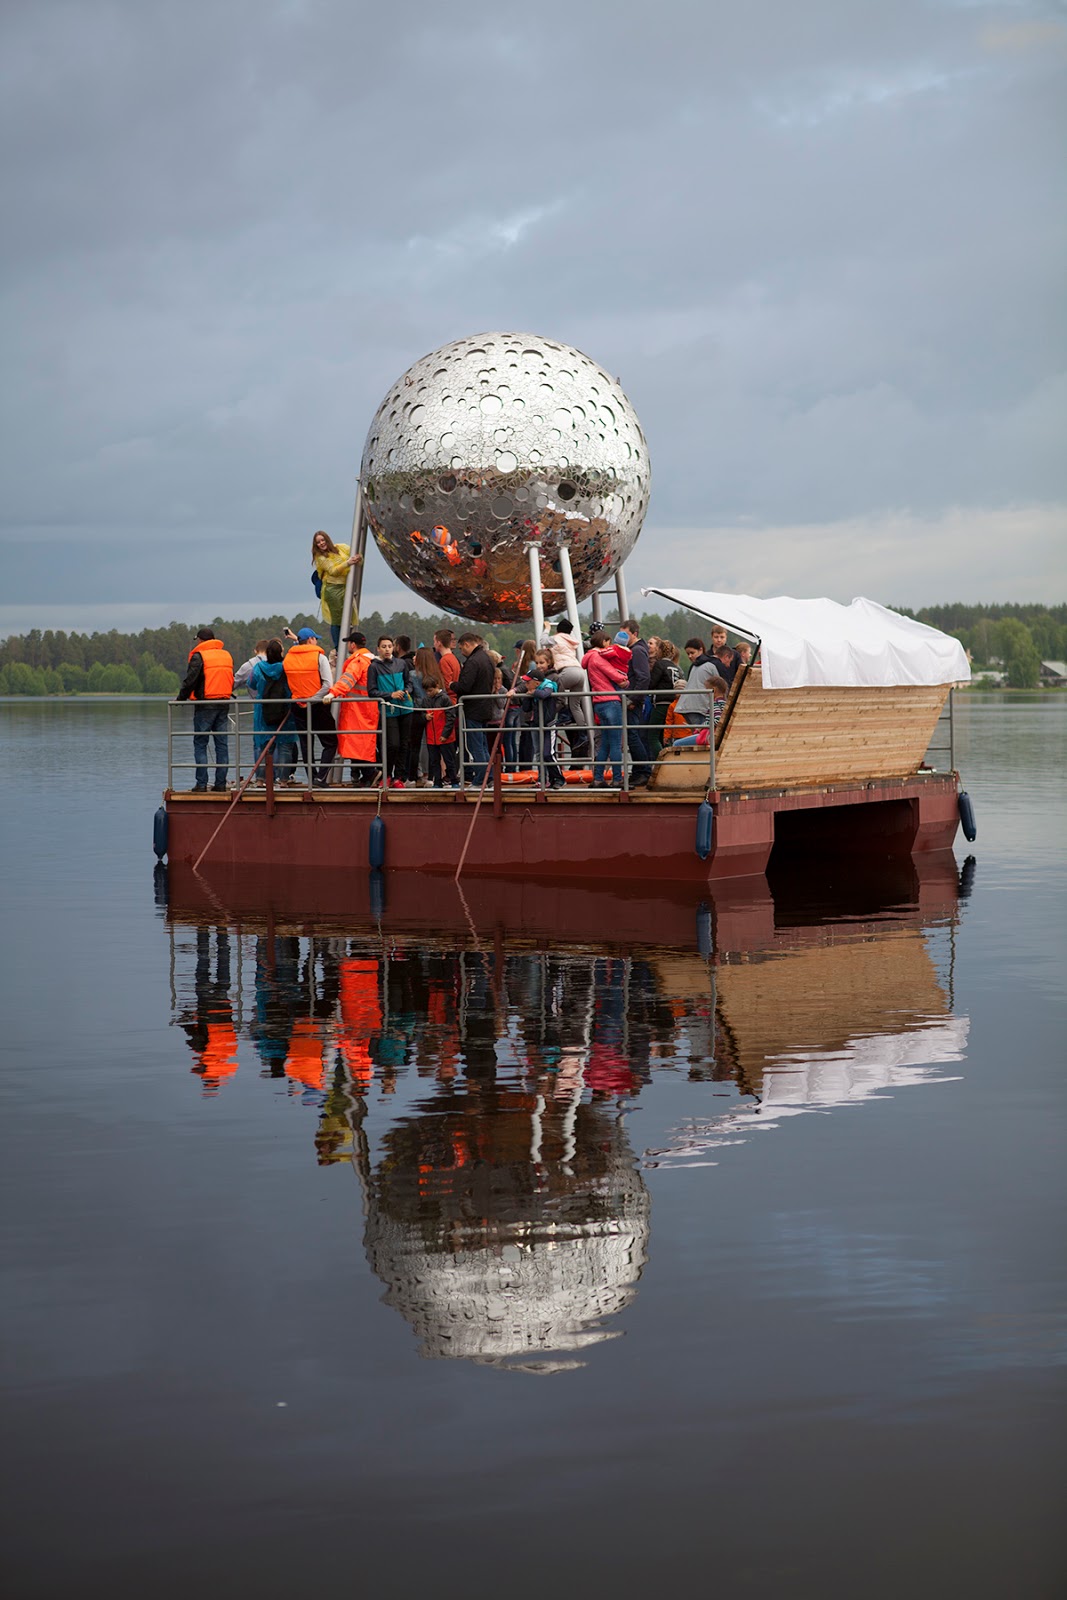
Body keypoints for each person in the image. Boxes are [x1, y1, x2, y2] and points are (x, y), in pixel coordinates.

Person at [177, 625, 234, 791]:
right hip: (224, 703)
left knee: (200, 744)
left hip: (205, 705)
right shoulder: (226, 655)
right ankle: (221, 784)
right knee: (222, 745)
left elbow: (190, 680)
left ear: (201, 640)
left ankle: (201, 784)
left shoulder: (199, 656)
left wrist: (181, 697)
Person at [282, 626, 336, 786]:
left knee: (306, 744)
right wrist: (312, 699)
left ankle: (312, 779)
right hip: (317, 705)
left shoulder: (288, 658)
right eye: (315, 638)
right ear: (311, 640)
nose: (317, 641)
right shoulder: (319, 657)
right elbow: (327, 685)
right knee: (331, 742)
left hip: (297, 705)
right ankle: (321, 777)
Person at [323, 630, 378, 785]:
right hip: (369, 709)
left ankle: (370, 773)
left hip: (356, 709)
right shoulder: (373, 660)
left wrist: (332, 693)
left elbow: (348, 680)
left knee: (355, 742)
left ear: (353, 645)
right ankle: (368, 775)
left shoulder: (358, 661)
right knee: (364, 743)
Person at [581, 628, 631, 787]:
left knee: (606, 744)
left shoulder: (589, 658)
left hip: (598, 702)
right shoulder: (597, 657)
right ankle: (617, 779)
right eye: (608, 642)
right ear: (603, 642)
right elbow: (614, 674)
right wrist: (624, 679)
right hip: (610, 701)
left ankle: (597, 778)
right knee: (616, 743)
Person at [366, 635, 414, 787]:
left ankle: (398, 778)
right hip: (388, 710)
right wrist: (390, 695)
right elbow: (371, 691)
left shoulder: (401, 663)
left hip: (405, 708)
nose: (387, 649)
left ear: (393, 648)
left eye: (389, 646)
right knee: (392, 744)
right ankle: (386, 775)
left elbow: (409, 682)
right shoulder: (374, 667)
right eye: (384, 647)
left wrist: (406, 691)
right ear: (378, 649)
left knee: (404, 744)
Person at [516, 648, 565, 787]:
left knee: (548, 753)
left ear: (549, 662)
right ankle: (543, 779)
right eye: (537, 662)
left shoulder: (552, 680)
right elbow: (525, 702)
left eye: (541, 662)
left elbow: (557, 698)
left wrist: (549, 711)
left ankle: (557, 778)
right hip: (534, 721)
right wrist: (524, 694)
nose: (539, 665)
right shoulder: (531, 684)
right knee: (539, 752)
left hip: (548, 722)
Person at [250, 639, 298, 782]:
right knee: (285, 747)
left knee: (263, 746)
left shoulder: (258, 668)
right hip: (285, 710)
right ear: (281, 652)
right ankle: (283, 779)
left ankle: (260, 779)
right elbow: (293, 685)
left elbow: (251, 683)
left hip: (263, 711)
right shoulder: (286, 668)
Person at [546, 620, 592, 760]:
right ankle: (584, 735)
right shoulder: (572, 640)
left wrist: (546, 629)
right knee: (576, 706)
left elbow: (543, 640)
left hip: (566, 670)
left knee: (556, 693)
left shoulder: (556, 639)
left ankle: (563, 717)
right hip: (579, 672)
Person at [311, 530, 363, 650]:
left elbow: (355, 552)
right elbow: (333, 571)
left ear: (327, 539)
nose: (321, 543)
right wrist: (348, 563)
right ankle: (338, 647)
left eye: (323, 540)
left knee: (350, 616)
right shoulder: (320, 558)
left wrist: (358, 557)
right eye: (318, 542)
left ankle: (350, 644)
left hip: (346, 586)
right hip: (332, 589)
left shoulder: (340, 547)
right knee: (337, 620)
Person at [455, 632, 495, 785]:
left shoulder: (472, 661)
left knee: (475, 745)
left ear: (467, 644)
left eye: (461, 648)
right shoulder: (487, 658)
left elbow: (465, 686)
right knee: (483, 745)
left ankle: (480, 778)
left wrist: (453, 685)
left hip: (473, 709)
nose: (461, 652)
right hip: (485, 707)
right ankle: (488, 775)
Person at [419, 652, 459, 787]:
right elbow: (420, 714)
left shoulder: (445, 699)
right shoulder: (426, 700)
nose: (428, 694)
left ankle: (454, 780)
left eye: (430, 691)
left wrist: (445, 734)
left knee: (449, 760)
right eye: (427, 691)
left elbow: (451, 717)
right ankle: (437, 782)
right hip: (432, 738)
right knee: (434, 761)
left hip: (444, 737)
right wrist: (425, 717)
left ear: (437, 686)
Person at [621, 618, 652, 786]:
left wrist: (634, 698)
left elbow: (643, 677)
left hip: (633, 700)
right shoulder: (636, 650)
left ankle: (643, 770)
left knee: (633, 735)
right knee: (632, 735)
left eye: (625, 634)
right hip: (632, 698)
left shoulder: (637, 651)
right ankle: (639, 769)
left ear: (634, 634)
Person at [646, 637, 684, 760]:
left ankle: (665, 762)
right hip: (674, 704)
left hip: (661, 704)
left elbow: (651, 684)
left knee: (652, 736)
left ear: (660, 651)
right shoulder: (676, 667)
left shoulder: (660, 664)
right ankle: (670, 760)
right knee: (665, 736)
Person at [676, 637, 723, 727]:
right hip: (700, 707)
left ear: (701, 650)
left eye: (692, 653)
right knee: (702, 736)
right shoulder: (711, 665)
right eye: (688, 654)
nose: (690, 656)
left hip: (687, 706)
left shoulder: (695, 666)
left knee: (698, 735)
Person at [433, 628, 461, 698]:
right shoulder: (453, 658)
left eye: (434, 641)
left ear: (439, 643)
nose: (434, 644)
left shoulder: (444, 660)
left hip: (449, 699)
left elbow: (447, 684)